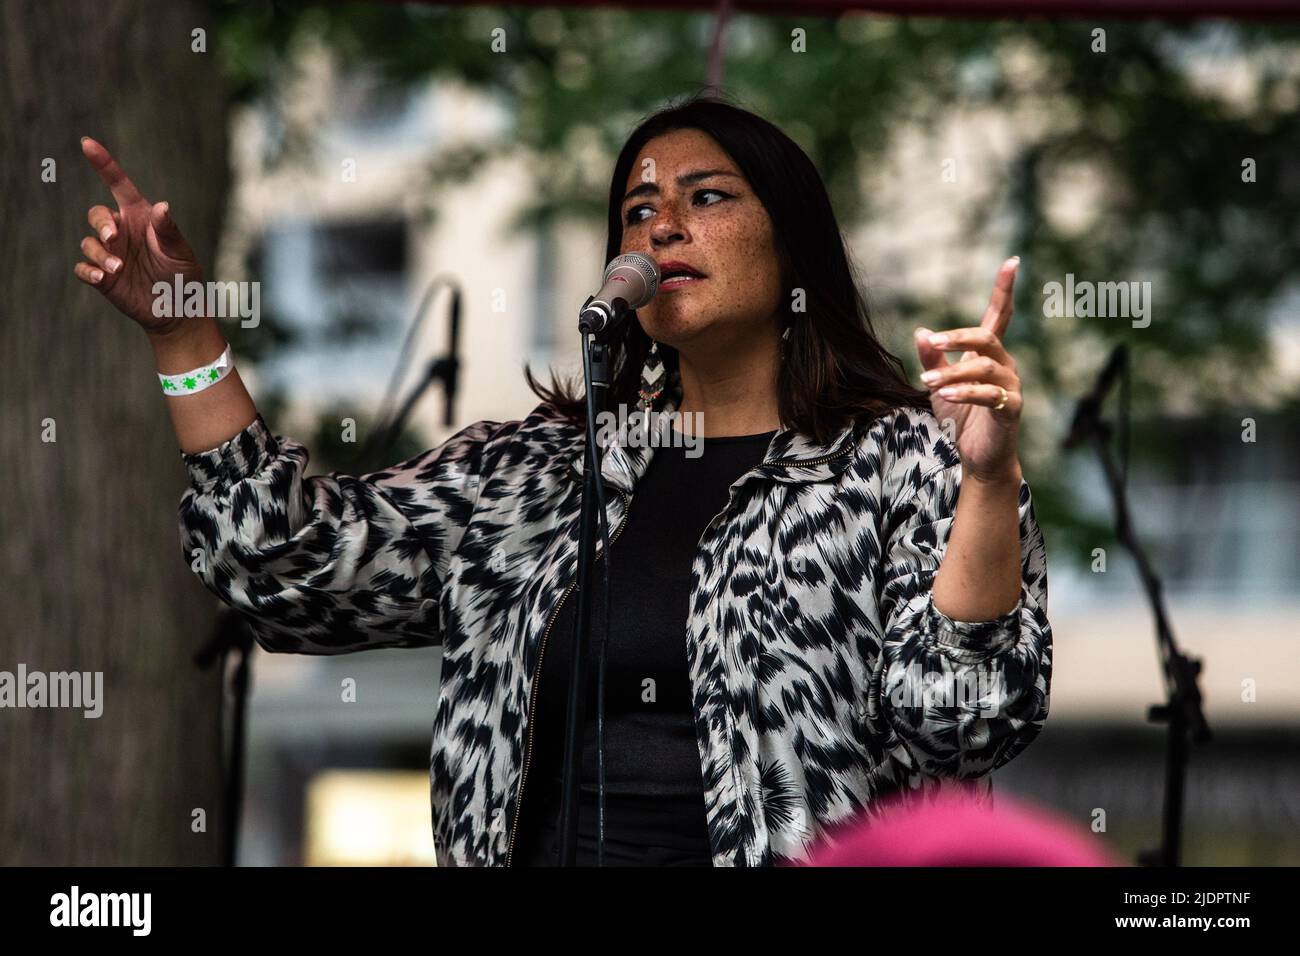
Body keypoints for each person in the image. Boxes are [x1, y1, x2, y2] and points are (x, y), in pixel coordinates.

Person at [74, 93, 1052, 868]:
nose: (662, 224)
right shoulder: (538, 474)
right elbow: (283, 568)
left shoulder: (899, 460)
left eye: (706, 197)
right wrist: (186, 336)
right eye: (638, 208)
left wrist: (987, 476)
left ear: (791, 241)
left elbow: (965, 716)